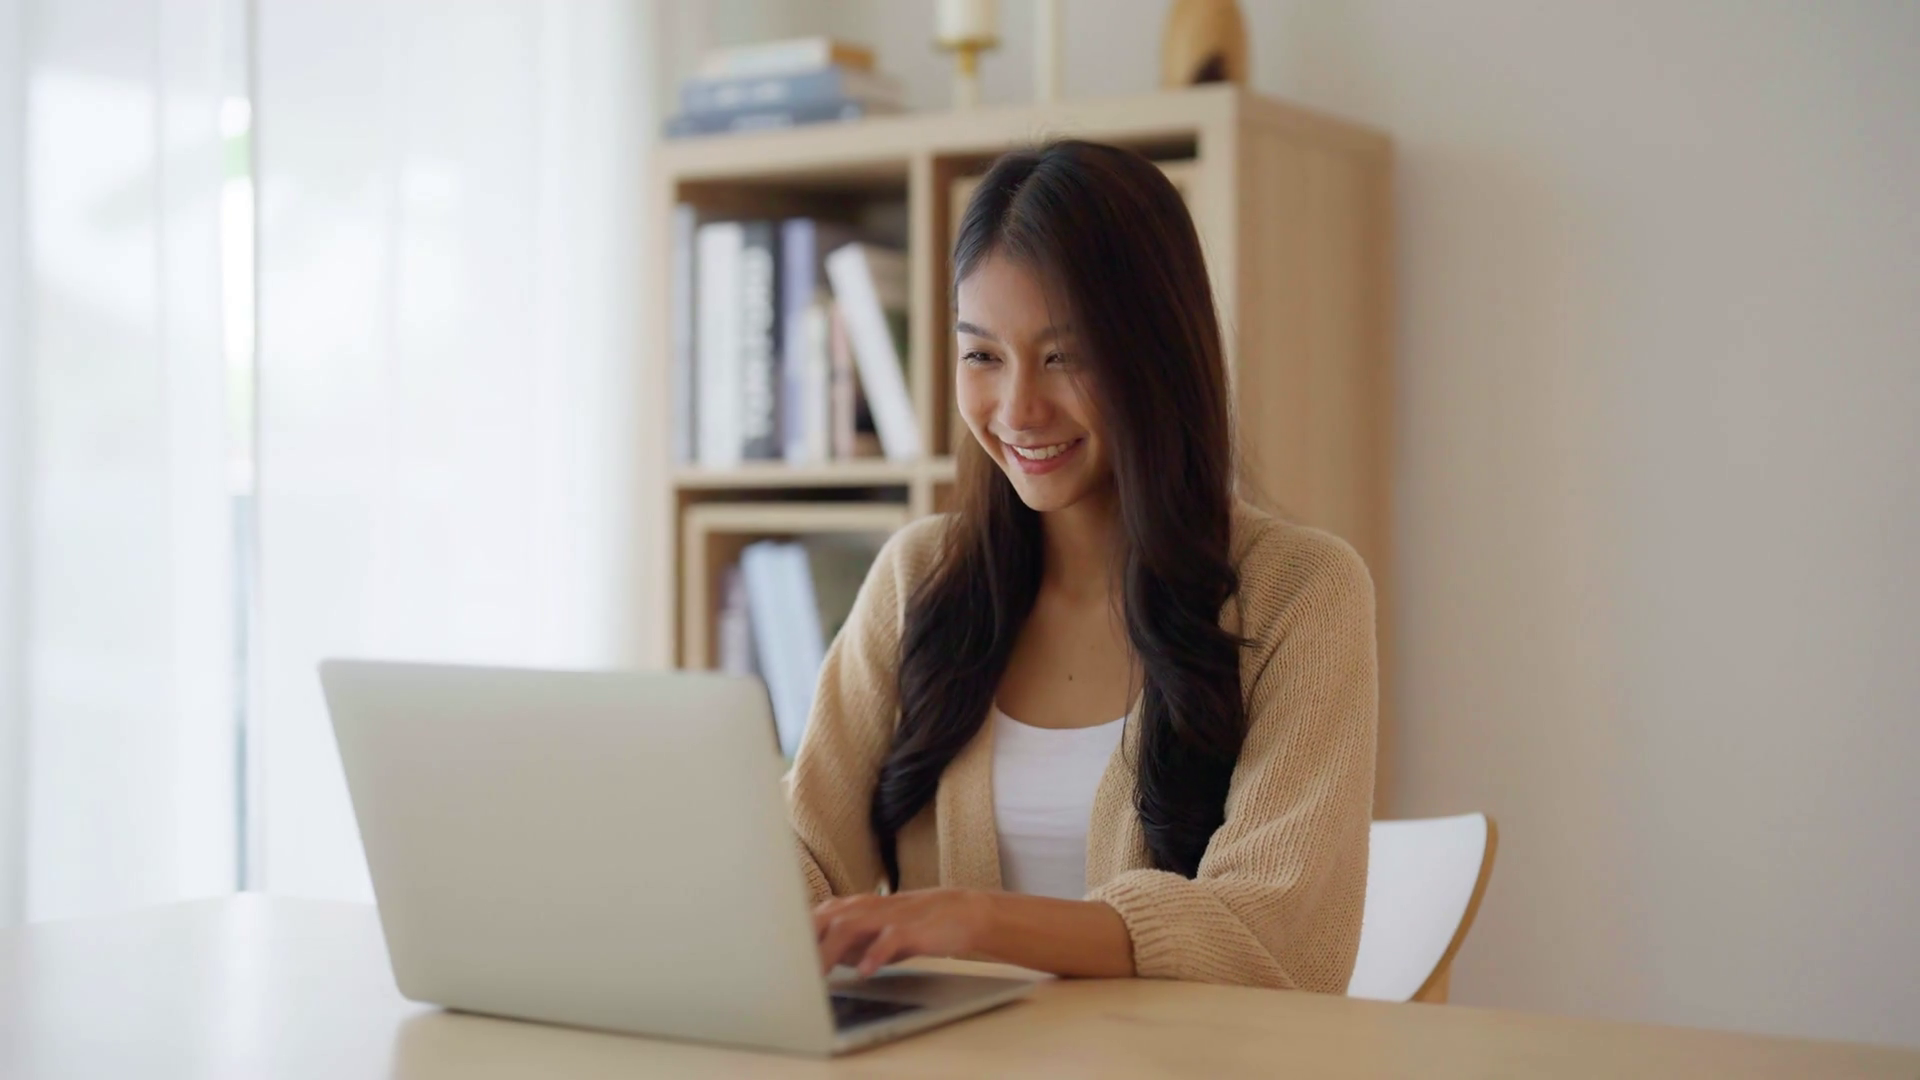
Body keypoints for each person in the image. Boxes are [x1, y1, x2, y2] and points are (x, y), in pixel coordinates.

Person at [790, 139, 1377, 992]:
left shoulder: (1302, 593)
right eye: (982, 355)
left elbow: (1275, 932)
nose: (1018, 408)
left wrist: (977, 920)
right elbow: (803, 851)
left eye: (1066, 355)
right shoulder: (919, 580)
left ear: (1159, 354)